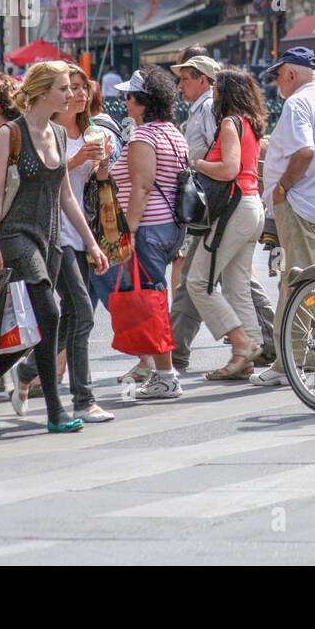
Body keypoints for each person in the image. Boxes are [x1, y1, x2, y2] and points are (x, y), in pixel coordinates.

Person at [0, 61, 107, 432]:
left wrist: (91, 243)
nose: (73, 94)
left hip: (51, 236)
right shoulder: (11, 134)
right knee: (51, 312)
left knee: (34, 327)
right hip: (16, 234)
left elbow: (65, 196)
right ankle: (56, 412)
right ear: (43, 93)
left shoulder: (58, 134)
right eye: (64, 88)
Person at [12, 66, 116, 423]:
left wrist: (101, 165)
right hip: (54, 234)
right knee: (82, 313)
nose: (77, 94)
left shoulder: (93, 132)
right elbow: (52, 181)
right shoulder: (47, 133)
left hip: (81, 230)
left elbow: (93, 187)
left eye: (81, 88)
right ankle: (83, 400)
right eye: (69, 88)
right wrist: (77, 159)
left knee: (71, 318)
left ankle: (27, 371)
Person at [252, 47, 315, 388]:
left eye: (278, 75)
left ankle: (287, 362)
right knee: (311, 283)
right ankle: (311, 353)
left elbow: (304, 151)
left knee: (297, 285)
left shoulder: (298, 104)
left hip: (301, 203)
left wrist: (281, 188)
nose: (277, 82)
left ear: (291, 74)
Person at [103, 67, 188, 397]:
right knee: (155, 298)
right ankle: (159, 369)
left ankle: (165, 375)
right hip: (170, 226)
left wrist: (132, 230)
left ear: (142, 101)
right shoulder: (172, 132)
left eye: (129, 97)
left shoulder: (143, 136)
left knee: (151, 301)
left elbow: (142, 185)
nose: (125, 103)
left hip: (148, 226)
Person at [186, 68, 269, 381]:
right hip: (251, 206)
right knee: (237, 286)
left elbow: (229, 168)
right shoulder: (250, 123)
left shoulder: (228, 122)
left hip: (234, 208)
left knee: (198, 282)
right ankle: (249, 351)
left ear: (226, 92)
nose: (213, 93)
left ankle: (241, 345)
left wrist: (199, 162)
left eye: (217, 87)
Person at [168, 50, 222, 374]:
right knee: (214, 278)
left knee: (197, 279)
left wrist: (195, 165)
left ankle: (176, 351)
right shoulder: (202, 108)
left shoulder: (208, 109)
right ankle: (265, 340)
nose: (180, 84)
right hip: (211, 198)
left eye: (186, 78)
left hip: (211, 198)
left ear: (203, 80)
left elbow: (220, 151)